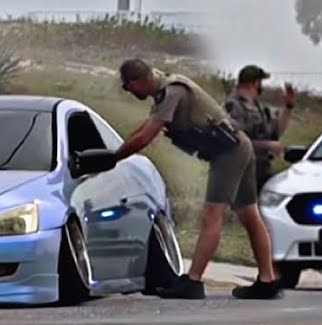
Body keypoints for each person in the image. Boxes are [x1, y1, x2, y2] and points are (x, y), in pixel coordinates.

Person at [114, 58, 281, 300]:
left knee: (212, 215)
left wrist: (114, 158)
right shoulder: (166, 89)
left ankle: (193, 281)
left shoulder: (172, 92)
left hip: (228, 153)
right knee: (249, 214)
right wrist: (118, 149)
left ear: (137, 82)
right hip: (239, 146)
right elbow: (146, 126)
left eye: (127, 87)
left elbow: (145, 137)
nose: (128, 92)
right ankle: (267, 280)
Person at [224, 65, 296, 192]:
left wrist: (288, 107)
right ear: (255, 83)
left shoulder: (259, 108)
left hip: (261, 172)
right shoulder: (233, 107)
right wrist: (267, 145)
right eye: (260, 82)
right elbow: (235, 141)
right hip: (241, 174)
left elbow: (276, 131)